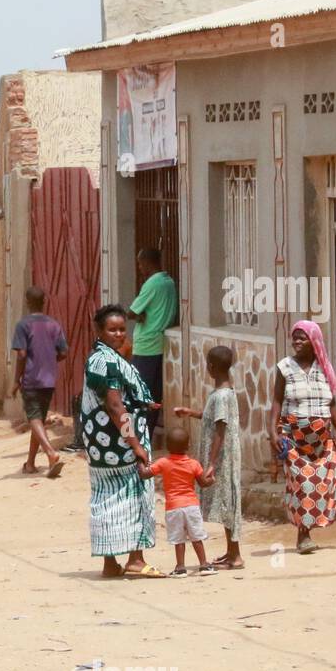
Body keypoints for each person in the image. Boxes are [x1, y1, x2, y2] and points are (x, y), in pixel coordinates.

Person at [82, 305, 163, 579]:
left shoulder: (100, 358)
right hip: (119, 445)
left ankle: (109, 562)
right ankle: (136, 559)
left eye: (121, 330)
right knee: (136, 495)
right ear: (99, 331)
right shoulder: (108, 362)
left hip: (101, 447)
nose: (118, 334)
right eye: (112, 329)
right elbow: (115, 406)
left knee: (105, 499)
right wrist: (136, 444)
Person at [269, 320, 336, 554]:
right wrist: (272, 432)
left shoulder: (324, 368)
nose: (297, 342)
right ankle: (304, 535)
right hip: (293, 438)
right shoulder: (284, 368)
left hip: (322, 442)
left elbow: (331, 405)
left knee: (320, 484)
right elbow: (277, 401)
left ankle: (315, 523)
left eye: (302, 338)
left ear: (314, 341)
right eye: (295, 338)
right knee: (302, 484)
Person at [173, 346, 244, 568]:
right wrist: (191, 412)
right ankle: (231, 551)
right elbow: (213, 417)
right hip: (222, 457)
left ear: (210, 367)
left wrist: (212, 462)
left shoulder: (222, 395)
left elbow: (220, 428)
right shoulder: (223, 393)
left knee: (227, 503)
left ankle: (236, 555)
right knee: (225, 503)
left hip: (223, 459)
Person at [139, 427, 217, 577]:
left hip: (173, 508)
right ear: (188, 446)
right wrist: (211, 479)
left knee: (179, 539)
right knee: (197, 537)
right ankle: (204, 565)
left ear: (168, 446)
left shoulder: (163, 462)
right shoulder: (194, 464)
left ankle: (180, 568)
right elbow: (203, 483)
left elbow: (144, 474)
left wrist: (139, 460)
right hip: (191, 506)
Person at [10, 285, 68, 477]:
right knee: (39, 420)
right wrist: (50, 360)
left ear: (27, 302)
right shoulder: (54, 325)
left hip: (31, 378)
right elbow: (64, 352)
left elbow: (21, 354)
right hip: (49, 379)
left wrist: (16, 380)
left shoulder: (23, 325)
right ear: (44, 302)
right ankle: (30, 463)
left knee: (33, 418)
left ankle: (51, 453)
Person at [127, 248, 178, 430]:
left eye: (140, 264)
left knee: (138, 392)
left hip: (145, 345)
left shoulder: (152, 284)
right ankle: (147, 431)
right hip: (158, 343)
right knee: (154, 394)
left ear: (147, 262)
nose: (140, 268)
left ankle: (138, 433)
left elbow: (131, 312)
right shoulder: (169, 282)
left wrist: (139, 314)